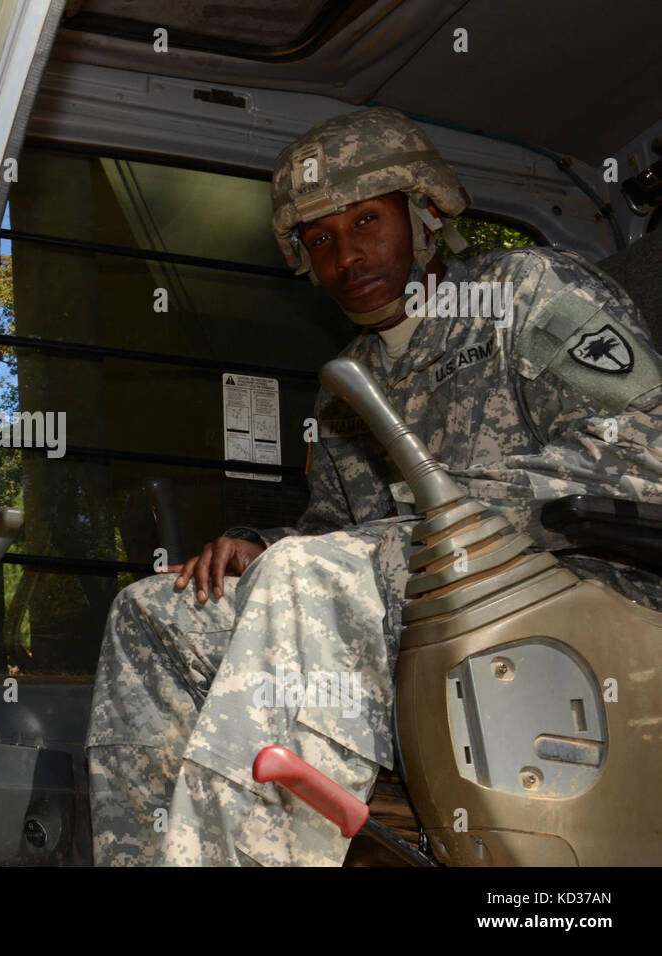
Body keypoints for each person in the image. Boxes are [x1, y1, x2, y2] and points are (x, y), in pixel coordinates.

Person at [85, 106, 662, 866]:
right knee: (157, 611)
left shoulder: (528, 290)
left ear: (424, 215)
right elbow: (334, 532)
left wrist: (449, 511)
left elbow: (645, 452)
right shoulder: (347, 389)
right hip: (411, 626)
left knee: (306, 577)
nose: (346, 256)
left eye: (365, 222)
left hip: (569, 604)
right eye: (320, 239)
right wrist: (260, 547)